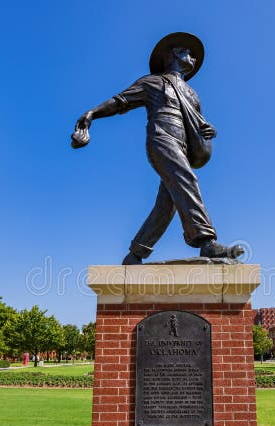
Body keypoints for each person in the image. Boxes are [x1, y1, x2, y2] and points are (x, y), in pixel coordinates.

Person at [73, 32, 243, 265]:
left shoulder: (192, 94)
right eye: (189, 53)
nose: (193, 59)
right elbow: (120, 102)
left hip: (184, 145)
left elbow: (198, 124)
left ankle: (136, 253)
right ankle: (206, 242)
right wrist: (92, 113)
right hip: (161, 138)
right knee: (187, 180)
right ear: (175, 53)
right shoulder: (152, 82)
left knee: (168, 203)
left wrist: (208, 132)